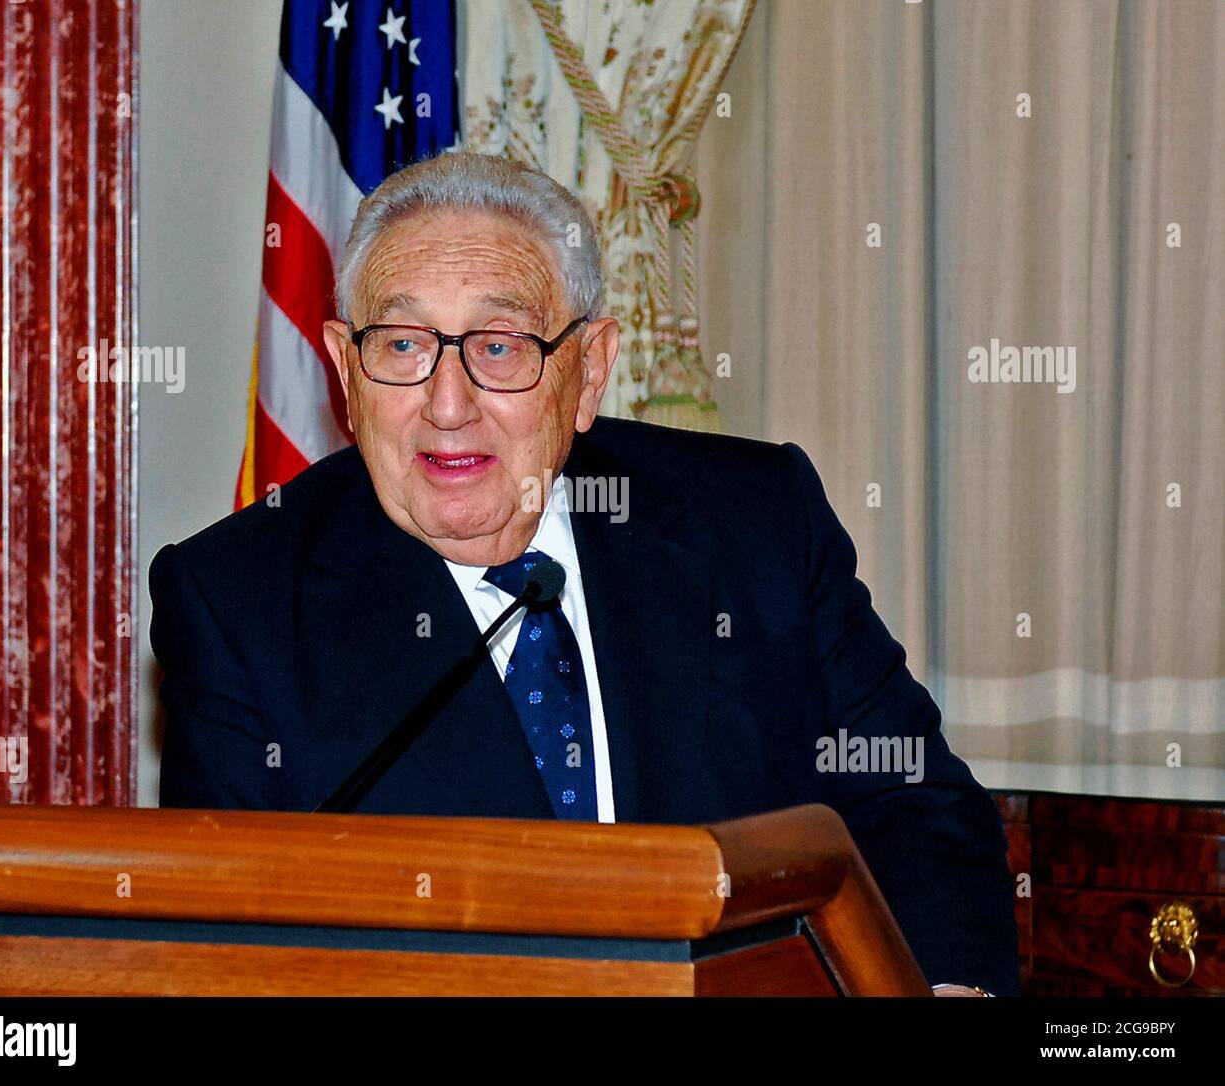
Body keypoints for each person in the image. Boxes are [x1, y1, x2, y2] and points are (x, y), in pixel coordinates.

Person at [151, 151, 1020, 995]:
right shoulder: (236, 604)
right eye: (405, 343)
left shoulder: (753, 522)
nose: (447, 404)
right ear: (345, 368)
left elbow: (913, 806)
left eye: (499, 347)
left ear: (590, 370)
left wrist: (941, 989)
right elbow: (226, 951)